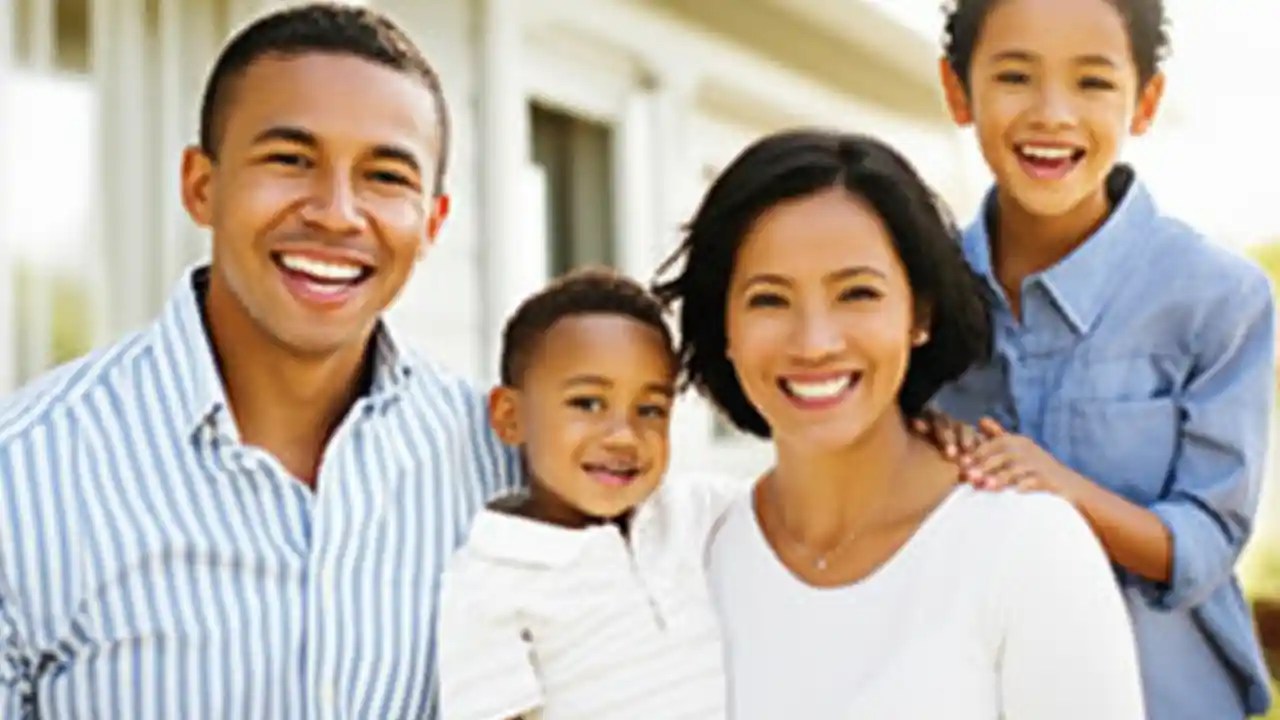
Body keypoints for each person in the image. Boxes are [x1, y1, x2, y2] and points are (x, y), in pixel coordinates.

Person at [0, 4, 517, 717]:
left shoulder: (504, 470)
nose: (337, 213)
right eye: (290, 160)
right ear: (201, 187)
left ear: (431, 222)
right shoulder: (21, 478)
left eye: (386, 177)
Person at [652, 129, 1146, 719]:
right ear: (723, 327)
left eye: (857, 294)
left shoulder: (1025, 547)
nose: (814, 343)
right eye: (769, 299)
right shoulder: (688, 552)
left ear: (921, 313)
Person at [932, 0, 1276, 717]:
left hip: (1166, 700)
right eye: (1016, 76)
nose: (1052, 113)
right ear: (957, 91)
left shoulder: (1218, 296)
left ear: (1144, 102)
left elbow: (1205, 544)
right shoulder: (916, 298)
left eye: (1092, 83)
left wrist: (1063, 491)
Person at [436, 268, 728, 720]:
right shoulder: (490, 576)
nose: (623, 436)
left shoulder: (698, 513)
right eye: (587, 403)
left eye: (650, 409)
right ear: (510, 416)